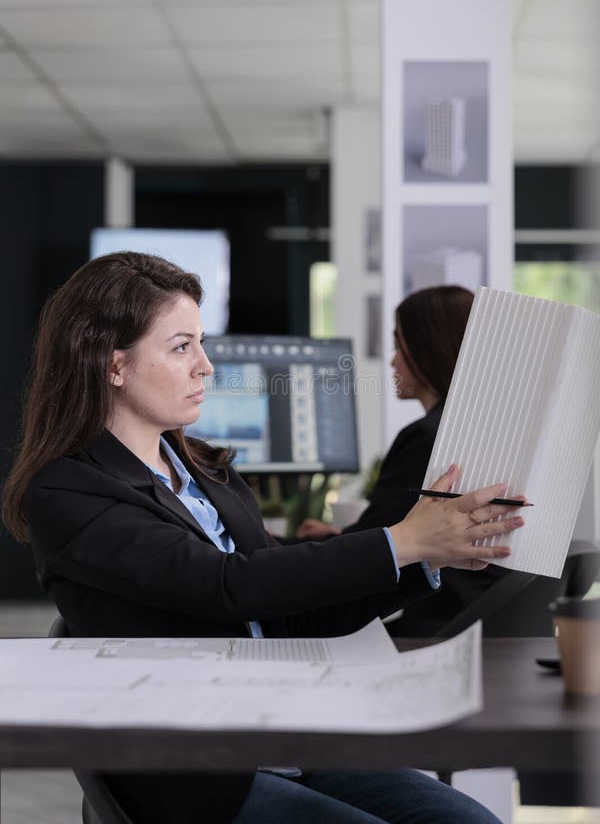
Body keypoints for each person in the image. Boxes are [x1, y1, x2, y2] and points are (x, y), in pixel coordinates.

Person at [2, 253, 524, 824]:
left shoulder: (201, 470)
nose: (206, 366)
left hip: (288, 738)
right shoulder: (69, 494)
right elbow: (228, 586)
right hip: (201, 777)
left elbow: (287, 608)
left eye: (201, 343)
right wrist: (401, 540)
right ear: (113, 364)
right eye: (181, 347)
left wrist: (427, 554)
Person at [296, 285, 509, 637]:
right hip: (479, 626)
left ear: (428, 349)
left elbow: (370, 556)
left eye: (399, 345)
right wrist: (340, 536)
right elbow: (392, 533)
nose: (393, 361)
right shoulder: (487, 431)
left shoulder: (427, 437)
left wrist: (272, 548)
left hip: (429, 630)